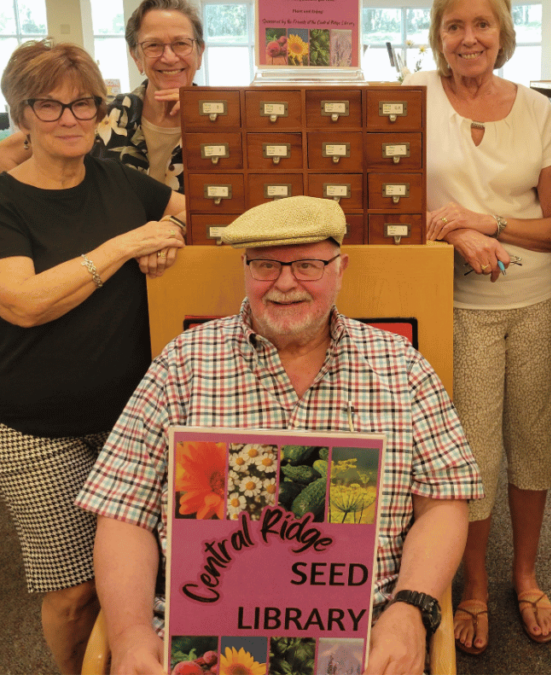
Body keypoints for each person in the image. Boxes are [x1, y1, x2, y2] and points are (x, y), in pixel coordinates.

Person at [75, 196, 484, 675]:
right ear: (245, 269)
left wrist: (411, 609)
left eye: (308, 264)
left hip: (364, 637)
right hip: (201, 641)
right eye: (266, 265)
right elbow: (124, 511)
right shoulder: (183, 364)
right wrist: (129, 634)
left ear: (340, 268)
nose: (285, 283)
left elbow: (444, 501)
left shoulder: (401, 367)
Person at [0, 40, 187, 675]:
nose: (69, 119)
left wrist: (170, 232)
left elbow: (193, 212)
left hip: (130, 422)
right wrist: (123, 246)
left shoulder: (117, 179)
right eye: (49, 105)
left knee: (142, 582)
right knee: (72, 592)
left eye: (82, 103)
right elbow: (22, 302)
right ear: (21, 113)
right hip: (34, 428)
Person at [404, 0, 551, 654]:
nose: (468, 38)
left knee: (533, 443)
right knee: (467, 453)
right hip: (456, 303)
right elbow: (387, 195)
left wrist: (486, 221)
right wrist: (459, 232)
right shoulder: (411, 99)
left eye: (482, 24)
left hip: (537, 297)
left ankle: (523, 574)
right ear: (438, 35)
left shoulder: (536, 109)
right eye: (454, 25)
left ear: (502, 32)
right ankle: (472, 584)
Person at [0, 0, 205, 191]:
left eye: (181, 43)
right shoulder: (98, 114)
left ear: (200, 53)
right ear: (136, 57)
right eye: (153, 46)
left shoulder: (231, 120)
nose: (168, 57)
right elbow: (0, 155)